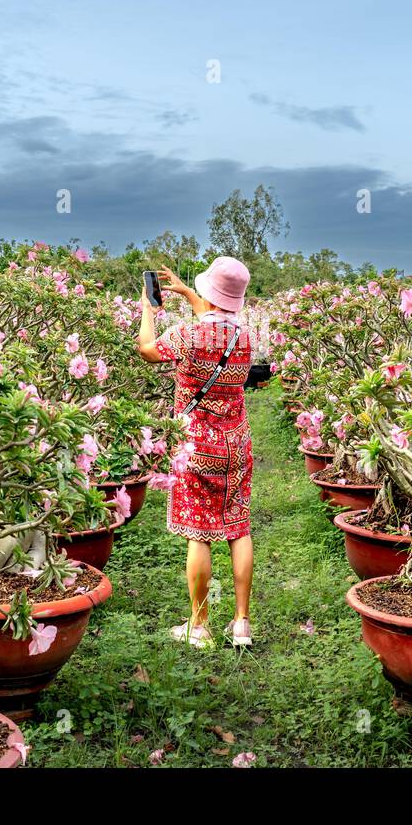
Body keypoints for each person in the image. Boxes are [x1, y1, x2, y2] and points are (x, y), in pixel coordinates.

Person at [136, 257, 254, 648]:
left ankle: (199, 626)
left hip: (197, 446)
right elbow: (216, 321)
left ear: (208, 294)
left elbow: (147, 350)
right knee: (238, 528)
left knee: (199, 535)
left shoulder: (187, 335)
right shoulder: (245, 337)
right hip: (236, 444)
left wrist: (147, 310)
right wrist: (188, 292)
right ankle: (241, 624)